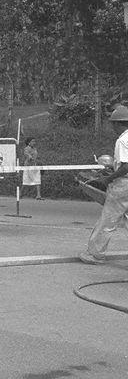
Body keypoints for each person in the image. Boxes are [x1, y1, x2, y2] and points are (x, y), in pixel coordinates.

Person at [80, 105, 128, 264]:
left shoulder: (123, 140)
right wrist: (113, 168)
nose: (113, 127)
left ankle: (95, 254)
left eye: (113, 124)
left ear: (119, 123)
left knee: (108, 220)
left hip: (123, 186)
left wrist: (107, 179)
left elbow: (127, 166)